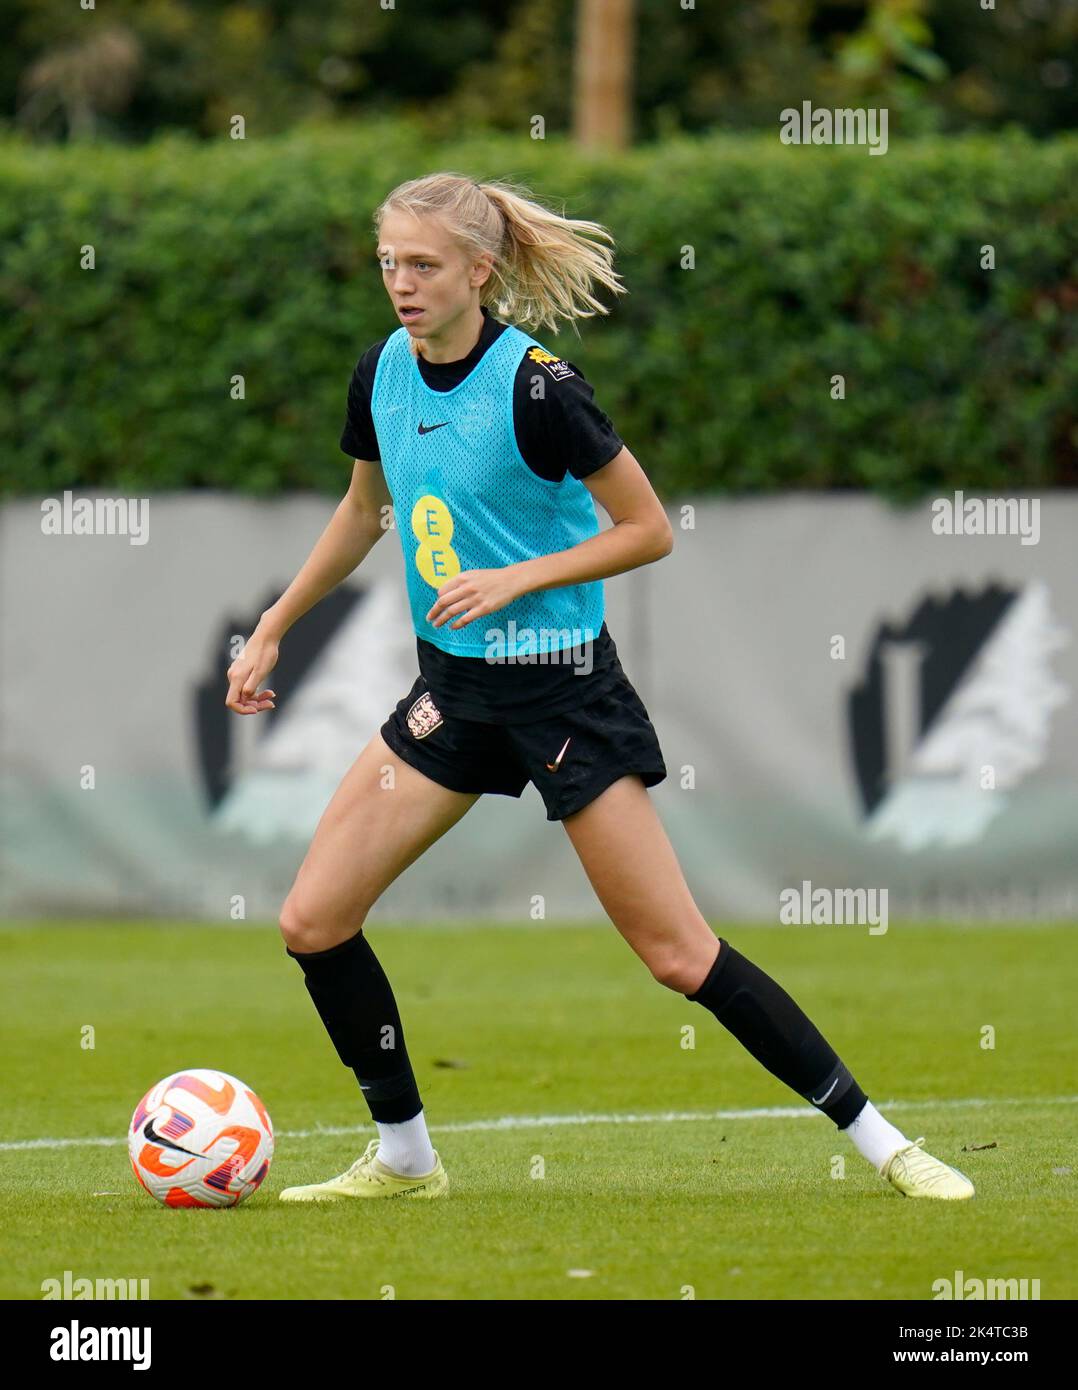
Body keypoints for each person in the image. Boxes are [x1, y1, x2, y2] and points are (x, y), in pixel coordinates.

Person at [225, 172, 973, 1203]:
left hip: (563, 697)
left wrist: (519, 577)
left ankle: (884, 1141)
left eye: (424, 264)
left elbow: (648, 528)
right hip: (453, 696)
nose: (400, 281)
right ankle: (406, 1160)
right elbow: (363, 514)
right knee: (313, 920)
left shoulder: (540, 388)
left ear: (478, 272)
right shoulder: (380, 373)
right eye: (389, 260)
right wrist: (270, 629)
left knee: (676, 954)